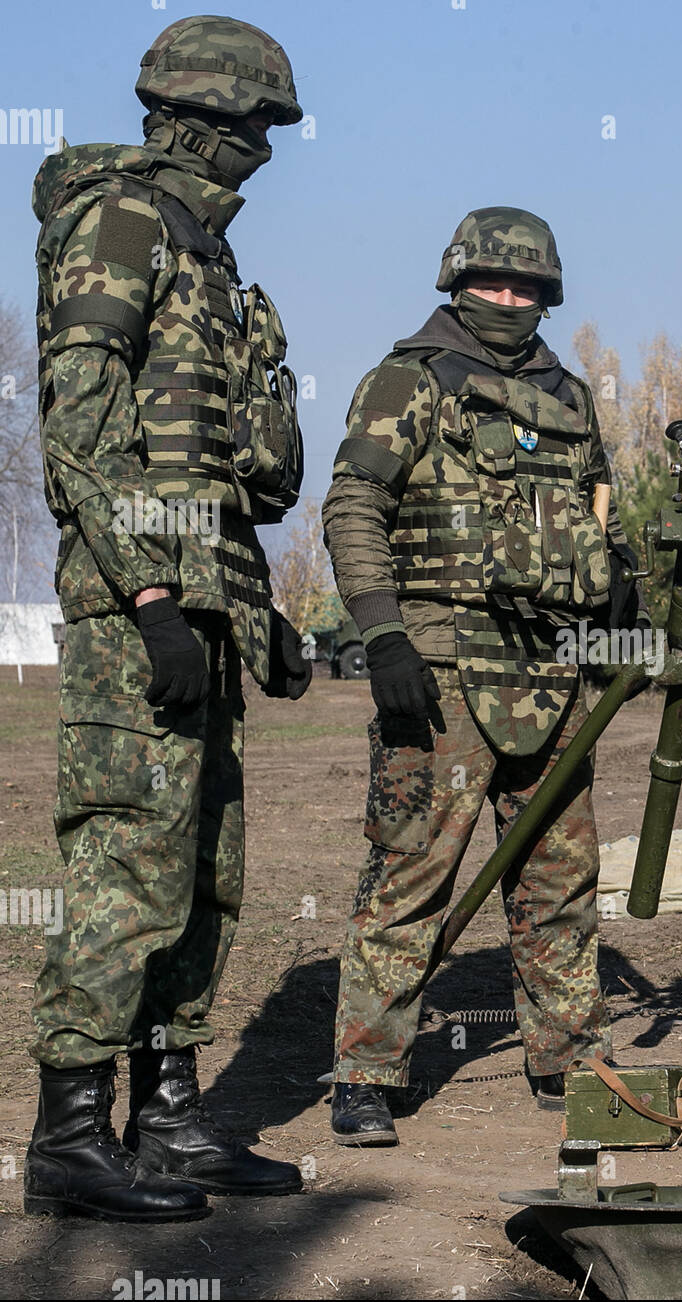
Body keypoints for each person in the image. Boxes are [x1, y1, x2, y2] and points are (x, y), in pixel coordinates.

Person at [26, 16, 311, 1222]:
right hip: (134, 609)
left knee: (205, 874)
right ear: (203, 120)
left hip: (204, 603)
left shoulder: (208, 253)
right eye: (254, 127)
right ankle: (70, 1138)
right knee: (126, 863)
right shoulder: (122, 221)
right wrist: (147, 598)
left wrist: (255, 608)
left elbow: (235, 469)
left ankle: (172, 1120)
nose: (263, 150)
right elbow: (79, 422)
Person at [322, 207, 641, 1143]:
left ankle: (569, 1058)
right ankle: (366, 1072)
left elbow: (602, 516)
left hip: (552, 668)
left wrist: (622, 584)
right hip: (442, 664)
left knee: (560, 877)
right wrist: (381, 635)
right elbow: (354, 502)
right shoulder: (406, 381)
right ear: (456, 284)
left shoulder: (572, 395)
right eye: (493, 285)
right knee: (411, 871)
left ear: (548, 296)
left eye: (527, 289)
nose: (509, 302)